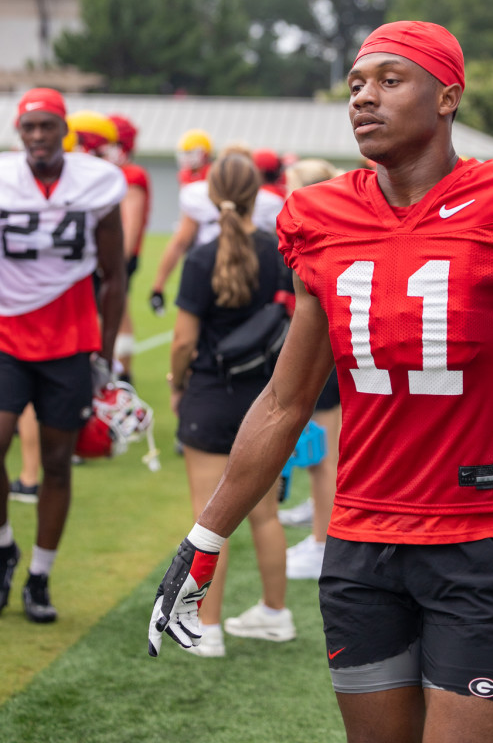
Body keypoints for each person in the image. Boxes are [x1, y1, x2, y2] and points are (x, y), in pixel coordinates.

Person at [149, 21, 493, 743]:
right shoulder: (323, 218)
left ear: (448, 97)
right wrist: (204, 538)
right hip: (359, 544)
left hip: (473, 540)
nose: (364, 98)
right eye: (357, 85)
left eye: (390, 81)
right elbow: (285, 399)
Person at [0, 88, 126, 622]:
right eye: (28, 128)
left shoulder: (94, 182)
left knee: (56, 462)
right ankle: (5, 545)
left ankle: (40, 575)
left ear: (63, 128)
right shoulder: (6, 180)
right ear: (18, 132)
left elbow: (114, 276)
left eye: (46, 126)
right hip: (6, 334)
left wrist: (106, 352)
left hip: (69, 341)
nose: (37, 137)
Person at [168, 152, 295, 656]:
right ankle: (275, 613)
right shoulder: (276, 249)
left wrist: (176, 383)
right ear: (256, 193)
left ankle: (208, 628)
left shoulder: (201, 258)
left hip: (210, 395)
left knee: (208, 519)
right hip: (265, 397)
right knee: (265, 515)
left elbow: (182, 341)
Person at [279, 159, 343, 579]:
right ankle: (321, 531)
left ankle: (324, 544)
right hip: (333, 352)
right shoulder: (334, 232)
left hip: (327, 354)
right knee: (325, 453)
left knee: (325, 455)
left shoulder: (317, 238)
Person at [149, 145, 283, 315]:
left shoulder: (196, 198)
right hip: (257, 269)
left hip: (206, 270)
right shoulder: (272, 204)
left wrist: (158, 286)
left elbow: (180, 242)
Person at [107, 115, 151, 381]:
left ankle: (123, 375)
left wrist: (119, 261)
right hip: (112, 253)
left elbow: (131, 223)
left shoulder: (131, 174)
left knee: (117, 312)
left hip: (119, 255)